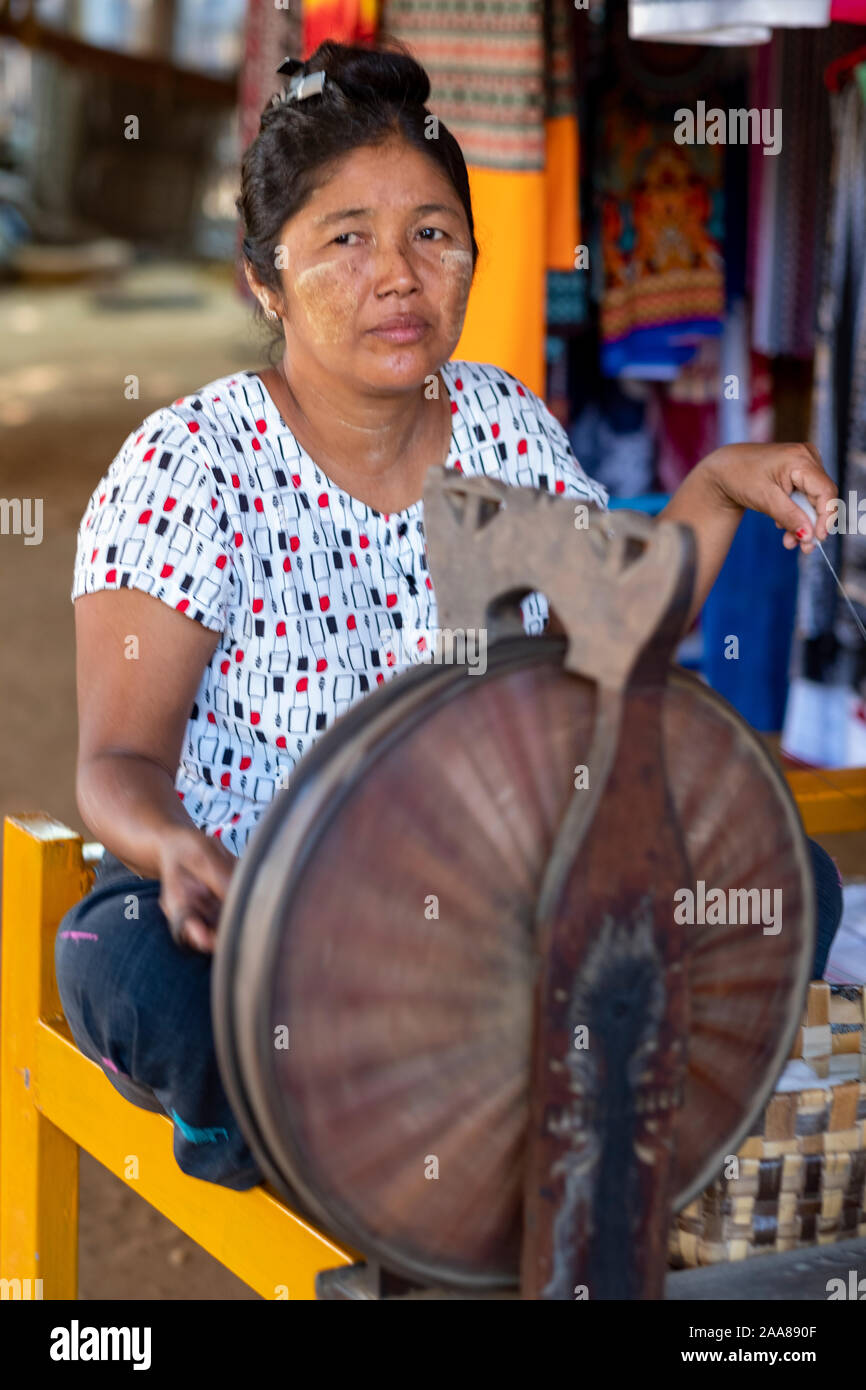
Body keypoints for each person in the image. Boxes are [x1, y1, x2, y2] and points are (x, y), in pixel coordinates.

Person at [56, 41, 843, 1191]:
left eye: (431, 233)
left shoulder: (499, 426)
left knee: (783, 879)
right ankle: (341, 1128)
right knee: (132, 973)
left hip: (470, 897)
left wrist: (714, 483)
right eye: (345, 240)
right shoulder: (192, 464)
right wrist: (175, 845)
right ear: (264, 278)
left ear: (474, 256)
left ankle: (459, 1100)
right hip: (259, 911)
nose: (397, 275)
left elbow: (620, 622)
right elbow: (117, 762)